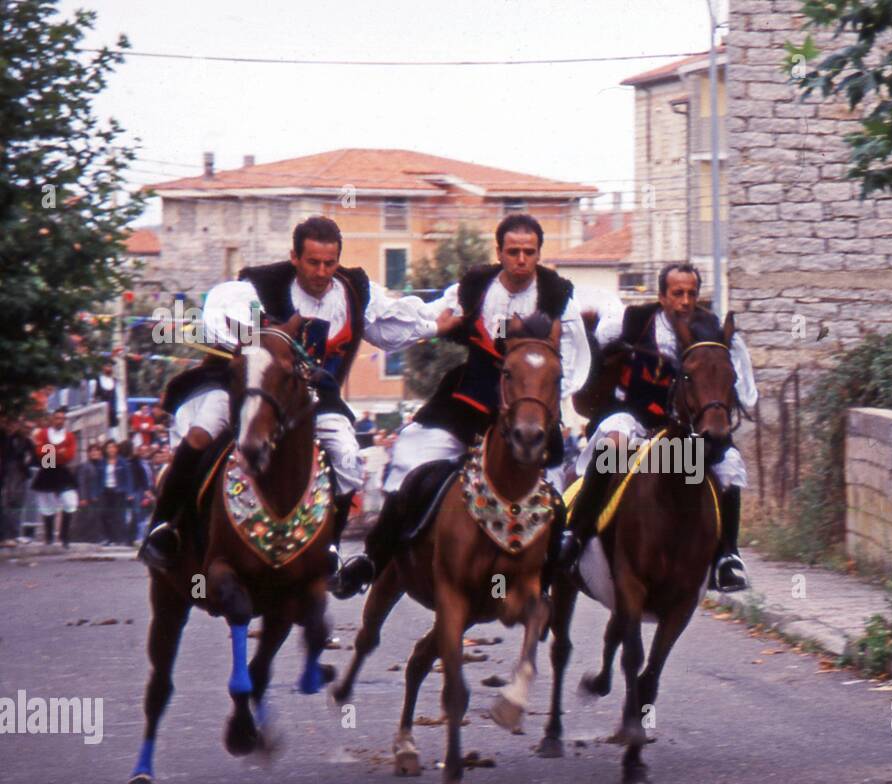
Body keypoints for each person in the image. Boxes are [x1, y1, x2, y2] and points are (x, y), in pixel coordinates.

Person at [138, 215, 443, 572]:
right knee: (201, 433)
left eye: (330, 263)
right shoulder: (257, 287)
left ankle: (329, 550)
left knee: (347, 457)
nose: (321, 271)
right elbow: (228, 328)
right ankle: (165, 526)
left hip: (316, 399)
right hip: (251, 388)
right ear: (295, 257)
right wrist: (265, 343)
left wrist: (437, 324)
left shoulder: (356, 292)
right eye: (312, 262)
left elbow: (393, 325)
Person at [331, 213, 590, 599]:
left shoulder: (558, 297)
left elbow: (573, 361)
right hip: (467, 400)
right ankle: (372, 559)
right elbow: (427, 317)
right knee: (410, 458)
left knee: (550, 490)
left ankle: (551, 571)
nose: (521, 259)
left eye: (529, 252)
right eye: (513, 251)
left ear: (539, 254)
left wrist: (541, 403)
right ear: (499, 252)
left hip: (528, 411)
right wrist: (433, 327)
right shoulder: (473, 289)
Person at [557, 262, 758, 592]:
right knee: (613, 447)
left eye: (691, 293)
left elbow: (735, 378)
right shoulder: (635, 320)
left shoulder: (709, 329)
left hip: (687, 427)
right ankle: (576, 536)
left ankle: (727, 557)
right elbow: (593, 344)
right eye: (677, 293)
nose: (685, 301)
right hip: (634, 414)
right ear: (662, 296)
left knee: (729, 467)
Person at [31, 407, 79, 548]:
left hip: (62, 471)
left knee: (69, 501)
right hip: (47, 470)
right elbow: (41, 453)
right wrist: (58, 452)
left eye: (62, 418)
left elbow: (69, 455)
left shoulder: (69, 436)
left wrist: (51, 450)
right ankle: (49, 537)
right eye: (57, 418)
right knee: (47, 504)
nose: (59, 421)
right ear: (52, 419)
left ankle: (65, 537)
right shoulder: (43, 433)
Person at [1, 418, 38, 546]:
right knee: (8, 504)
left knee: (17, 505)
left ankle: (14, 535)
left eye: (30, 428)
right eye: (26, 427)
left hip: (20, 475)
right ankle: (6, 536)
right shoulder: (7, 439)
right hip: (8, 474)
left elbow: (40, 459)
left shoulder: (27, 441)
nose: (28, 430)